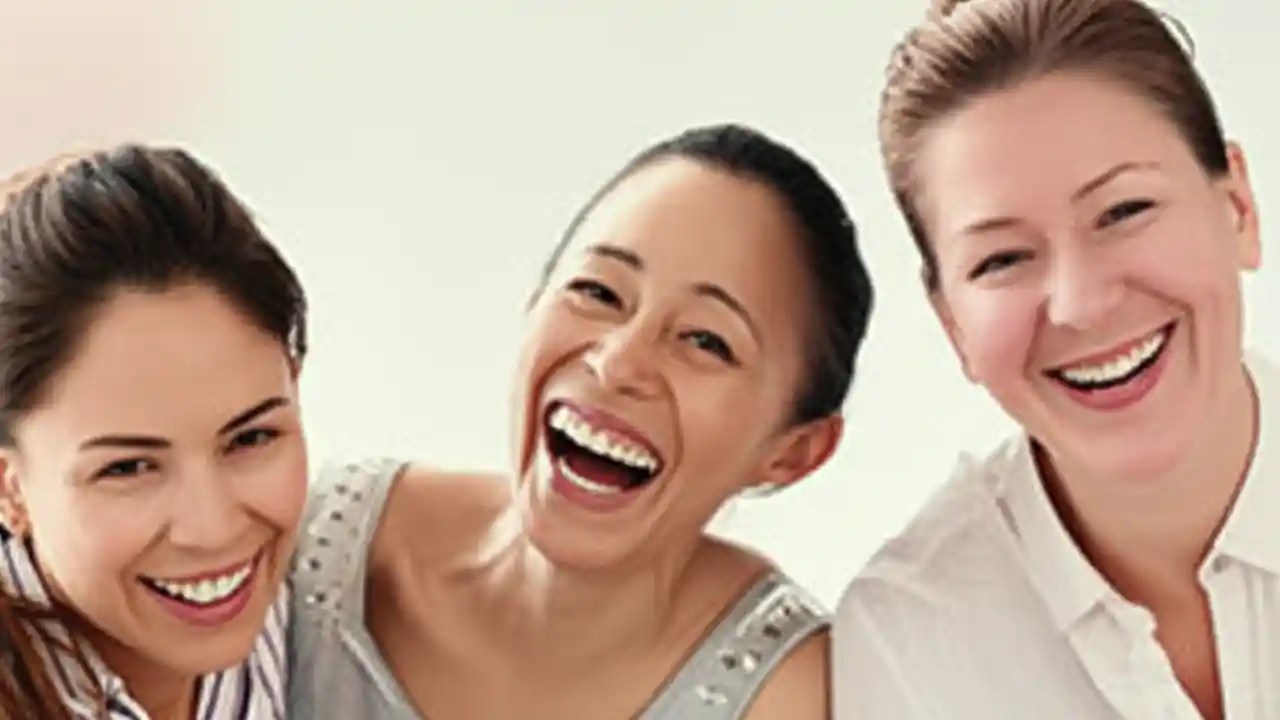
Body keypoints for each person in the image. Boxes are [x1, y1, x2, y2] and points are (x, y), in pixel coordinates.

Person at [288, 123, 874, 719]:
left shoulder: (784, 693)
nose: (618, 361)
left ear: (794, 452)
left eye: (706, 340)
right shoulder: (315, 549)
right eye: (598, 291)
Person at [835, 1, 1274, 718]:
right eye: (1003, 258)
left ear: (1239, 211)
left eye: (1124, 210)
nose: (1081, 304)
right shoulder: (908, 640)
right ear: (951, 323)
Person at [0, 145, 308, 718]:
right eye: (128, 468)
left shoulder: (339, 582)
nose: (212, 529)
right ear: (9, 486)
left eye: (251, 439)